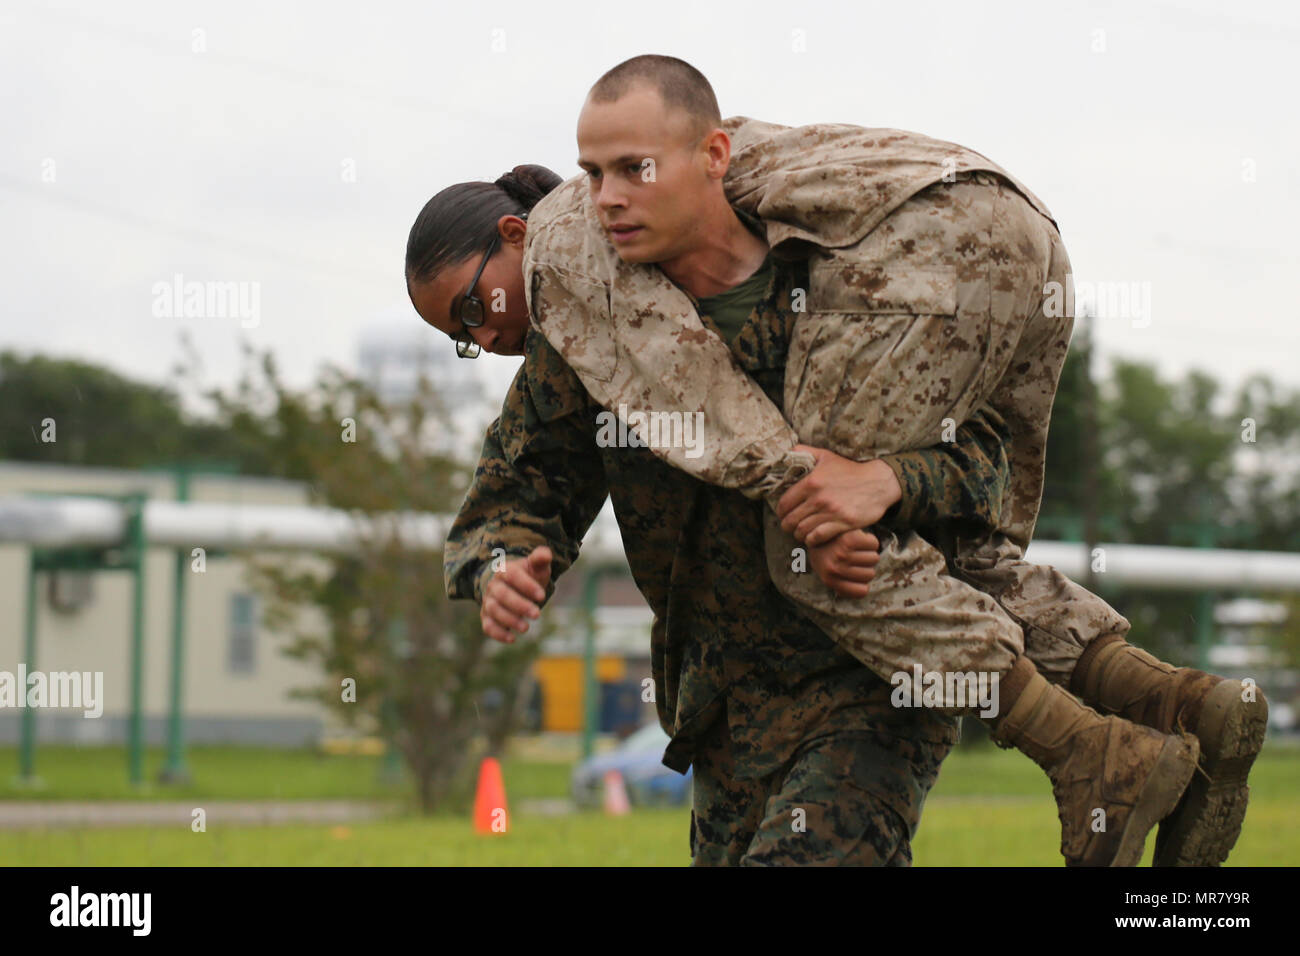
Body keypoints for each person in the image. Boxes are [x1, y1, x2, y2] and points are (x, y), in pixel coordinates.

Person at [409, 61, 1262, 867]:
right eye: (460, 341)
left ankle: (1094, 749)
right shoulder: (578, 345)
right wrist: (499, 565)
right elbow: (514, 492)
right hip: (728, 706)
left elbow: (980, 471)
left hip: (867, 692)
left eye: (471, 309)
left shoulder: (844, 288)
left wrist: (884, 490)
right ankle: (1170, 707)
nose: (482, 340)